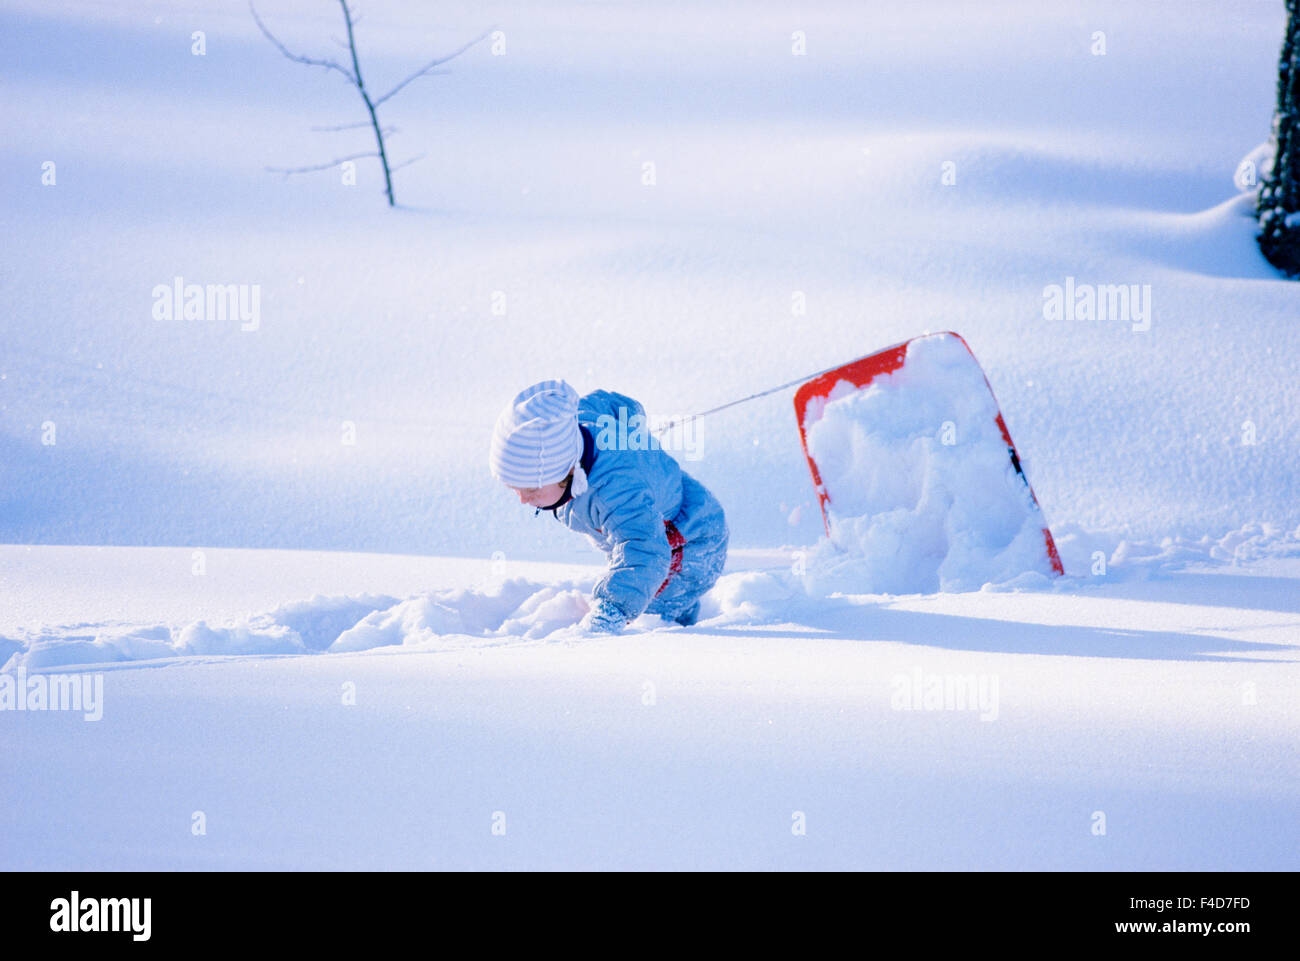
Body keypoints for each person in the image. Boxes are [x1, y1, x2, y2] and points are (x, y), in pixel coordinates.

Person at [489, 380, 728, 633]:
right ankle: (682, 609)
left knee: (653, 613)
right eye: (514, 489)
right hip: (652, 532)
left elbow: (644, 551)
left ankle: (684, 634)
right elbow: (616, 404)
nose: (522, 499)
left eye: (531, 490)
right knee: (646, 586)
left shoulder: (616, 491)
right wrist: (632, 431)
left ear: (567, 470)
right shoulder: (573, 423)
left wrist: (609, 613)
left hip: (690, 540)